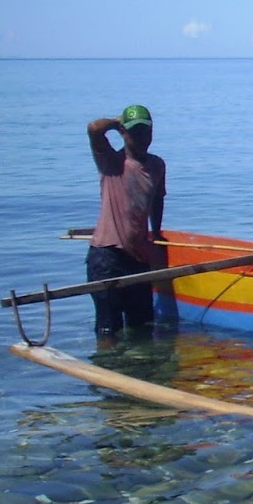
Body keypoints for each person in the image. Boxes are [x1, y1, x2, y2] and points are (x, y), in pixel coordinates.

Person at [86, 104, 167, 336]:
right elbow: (93, 129)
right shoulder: (111, 161)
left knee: (142, 326)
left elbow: (157, 200)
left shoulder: (157, 165)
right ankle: (105, 368)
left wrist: (157, 233)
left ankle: (140, 369)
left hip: (138, 257)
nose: (141, 137)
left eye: (145, 131)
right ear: (123, 133)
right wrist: (116, 121)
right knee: (108, 328)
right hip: (107, 256)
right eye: (135, 131)